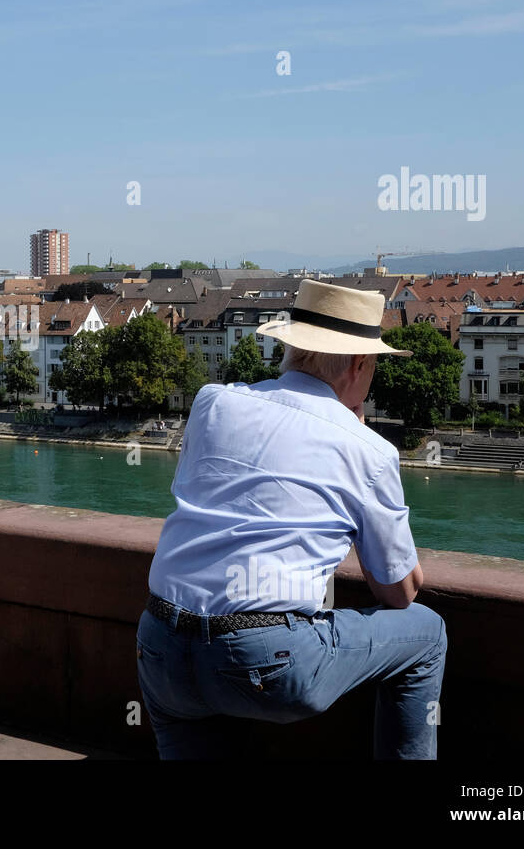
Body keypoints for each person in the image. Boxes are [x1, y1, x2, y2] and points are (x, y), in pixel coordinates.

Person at [137, 279, 447, 759]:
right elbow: (400, 592)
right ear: (359, 365)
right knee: (427, 632)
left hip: (160, 646)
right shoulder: (369, 451)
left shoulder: (211, 402)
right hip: (268, 665)